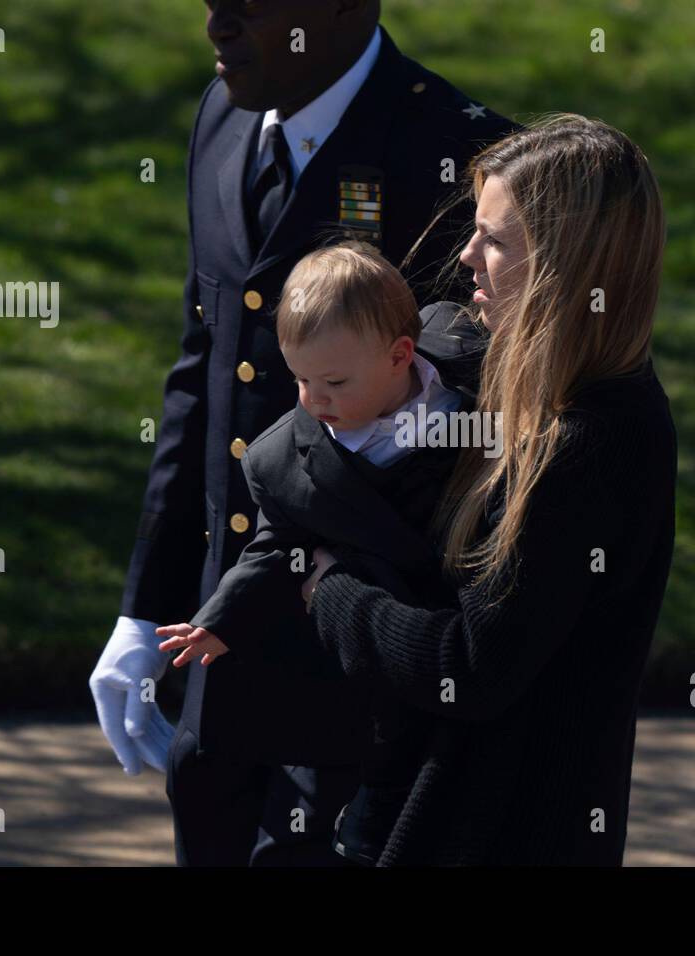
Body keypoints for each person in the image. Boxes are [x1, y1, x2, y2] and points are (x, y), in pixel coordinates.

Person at [87, 0, 515, 866]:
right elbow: (204, 368)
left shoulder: (459, 157)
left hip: (354, 672)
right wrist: (148, 605)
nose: (219, 23)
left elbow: (474, 428)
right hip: (222, 642)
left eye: (249, 1)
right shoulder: (225, 117)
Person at [300, 114, 678, 865]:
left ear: (567, 267)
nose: (468, 255)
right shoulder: (528, 391)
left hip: (491, 832)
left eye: (496, 240)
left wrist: (330, 590)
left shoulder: (587, 445)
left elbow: (467, 667)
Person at [152, 242, 488, 866]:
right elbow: (276, 546)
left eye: (333, 382)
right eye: (299, 379)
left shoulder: (470, 372)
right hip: (369, 664)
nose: (313, 399)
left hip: (461, 632)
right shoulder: (285, 461)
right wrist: (223, 618)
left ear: (400, 357)